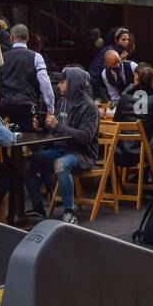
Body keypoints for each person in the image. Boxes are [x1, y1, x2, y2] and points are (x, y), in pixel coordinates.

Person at [26, 67, 100, 222]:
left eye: (62, 82)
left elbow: (85, 137)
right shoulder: (62, 101)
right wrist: (43, 127)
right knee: (28, 163)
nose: (58, 85)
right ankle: (38, 207)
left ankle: (69, 212)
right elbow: (55, 131)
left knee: (61, 164)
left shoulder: (90, 107)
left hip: (81, 154)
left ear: (73, 83)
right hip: (60, 149)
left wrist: (57, 125)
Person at [0, 23, 54, 126]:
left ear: (11, 39)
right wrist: (50, 107)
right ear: (27, 39)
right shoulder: (36, 57)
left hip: (5, 108)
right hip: (27, 107)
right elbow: (45, 85)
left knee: (6, 140)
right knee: (29, 139)